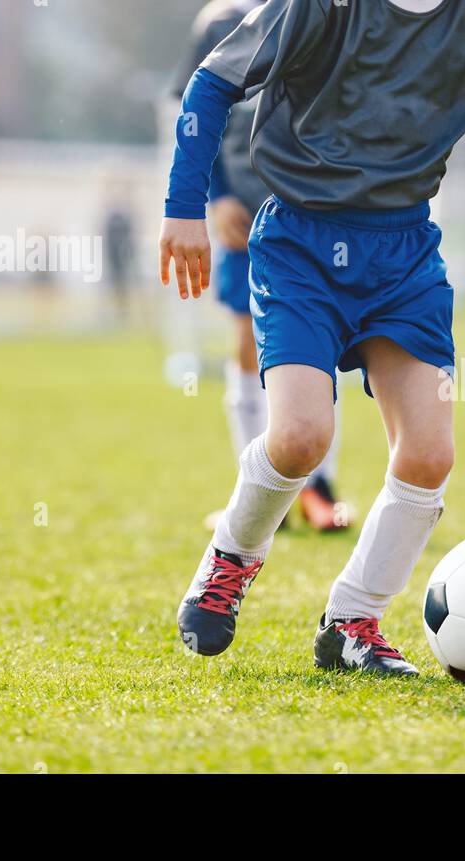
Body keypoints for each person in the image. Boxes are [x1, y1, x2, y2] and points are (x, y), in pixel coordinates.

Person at [161, 0, 465, 673]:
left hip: (404, 253)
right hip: (299, 242)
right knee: (301, 437)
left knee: (429, 453)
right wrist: (185, 206)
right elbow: (211, 83)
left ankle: (352, 619)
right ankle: (228, 563)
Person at [173, 0, 351, 533]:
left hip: (320, 214)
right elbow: (195, 110)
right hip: (244, 218)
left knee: (320, 347)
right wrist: (218, 195)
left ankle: (319, 487)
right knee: (248, 343)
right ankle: (252, 492)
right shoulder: (219, 22)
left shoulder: (334, 14)